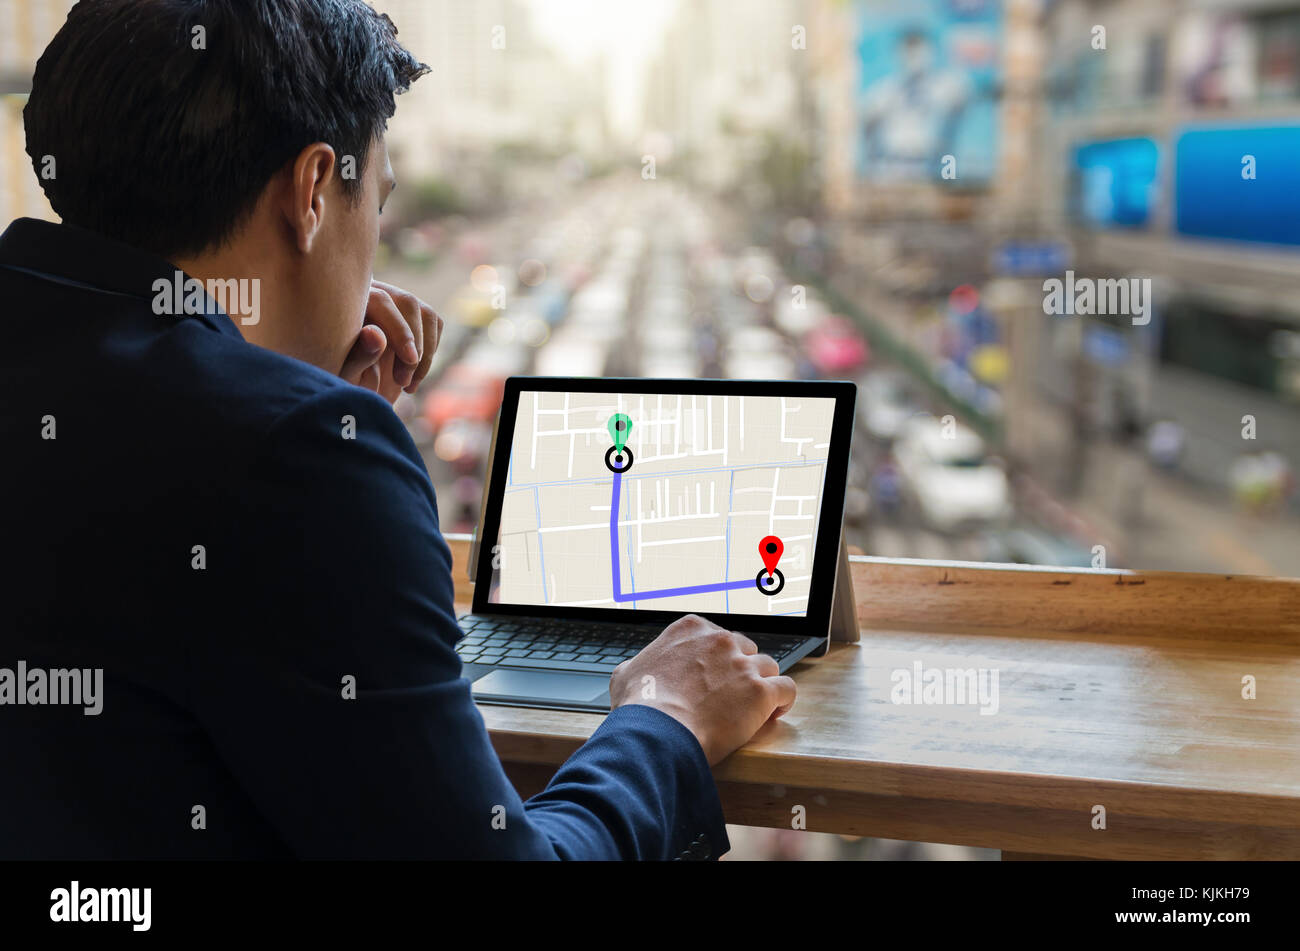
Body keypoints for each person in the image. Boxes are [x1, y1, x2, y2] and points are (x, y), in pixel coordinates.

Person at [0, 0, 794, 860]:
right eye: (372, 203)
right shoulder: (299, 456)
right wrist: (665, 717)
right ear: (310, 193)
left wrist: (280, 386)